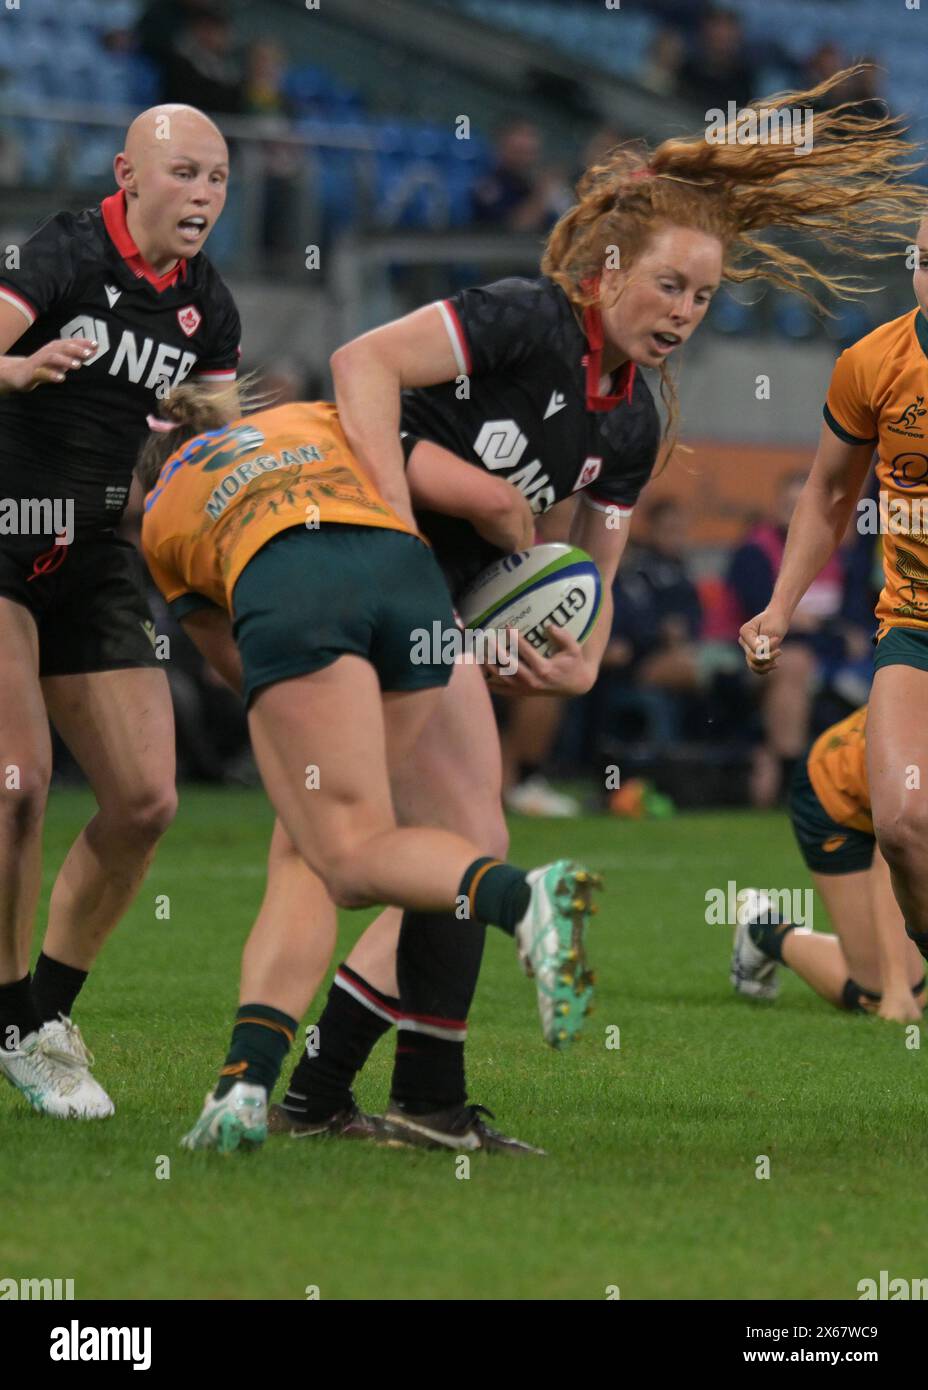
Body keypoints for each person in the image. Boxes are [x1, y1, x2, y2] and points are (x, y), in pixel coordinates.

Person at [268, 67, 928, 1153]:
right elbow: (359, 363)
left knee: (460, 847)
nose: (684, 314)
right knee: (375, 851)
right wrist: (419, 512)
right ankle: (314, 1089)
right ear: (609, 269)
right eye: (669, 286)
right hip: (344, 572)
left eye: (702, 298)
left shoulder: (629, 422)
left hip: (429, 613)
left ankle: (355, 1097)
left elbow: (588, 572)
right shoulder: (524, 317)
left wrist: (576, 656)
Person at [138, 385, 600, 1153]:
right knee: (339, 842)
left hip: (295, 582)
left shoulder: (162, 511)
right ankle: (275, 1090)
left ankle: (525, 899)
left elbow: (242, 669)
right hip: (411, 577)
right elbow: (468, 489)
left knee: (337, 860)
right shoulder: (315, 418)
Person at [0, 104, 240, 1119]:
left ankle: (44, 1016)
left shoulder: (208, 307)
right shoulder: (62, 251)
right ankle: (10, 1022)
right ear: (127, 175)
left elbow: (216, 452)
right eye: (184, 172)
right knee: (18, 784)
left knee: (146, 800)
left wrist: (210, 453)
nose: (203, 194)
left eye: (218, 178)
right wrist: (14, 369)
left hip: (95, 553)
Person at [739, 203, 928, 995]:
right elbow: (826, 495)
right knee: (905, 825)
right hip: (915, 624)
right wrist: (780, 607)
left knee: (889, 989)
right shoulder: (873, 363)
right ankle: (777, 935)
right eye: (926, 261)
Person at [731, 704, 925, 1022]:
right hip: (833, 794)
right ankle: (761, 928)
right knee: (885, 994)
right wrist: (897, 987)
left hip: (881, 795)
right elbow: (892, 856)